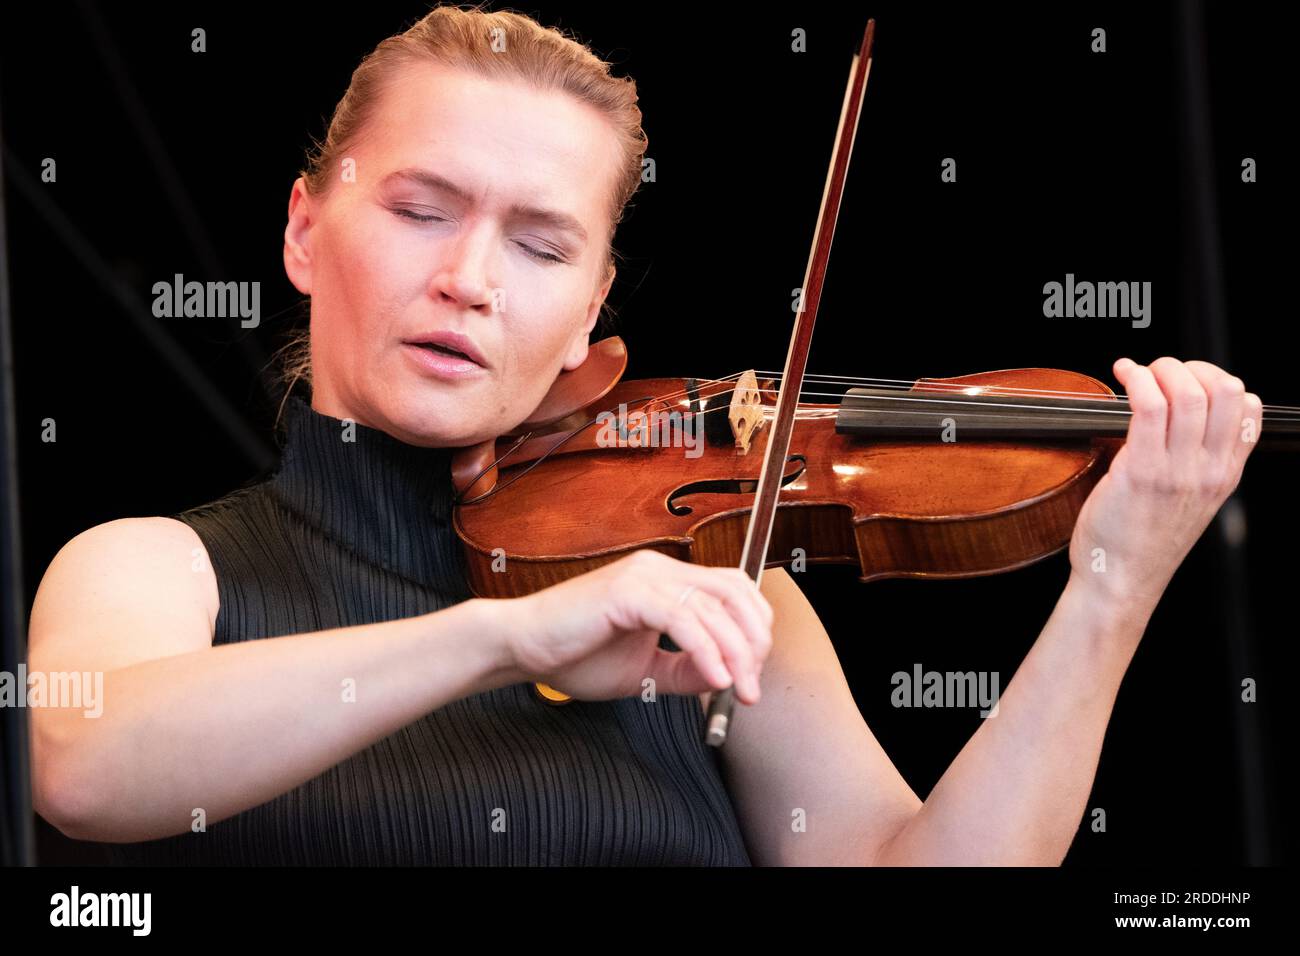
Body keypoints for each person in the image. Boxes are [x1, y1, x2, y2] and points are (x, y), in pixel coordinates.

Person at [27, 6, 1262, 866]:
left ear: (587, 318)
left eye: (539, 244)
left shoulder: (722, 598)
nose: (469, 278)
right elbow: (85, 764)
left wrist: (1111, 587)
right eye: (420, 209)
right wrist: (509, 634)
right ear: (303, 232)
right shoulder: (156, 568)